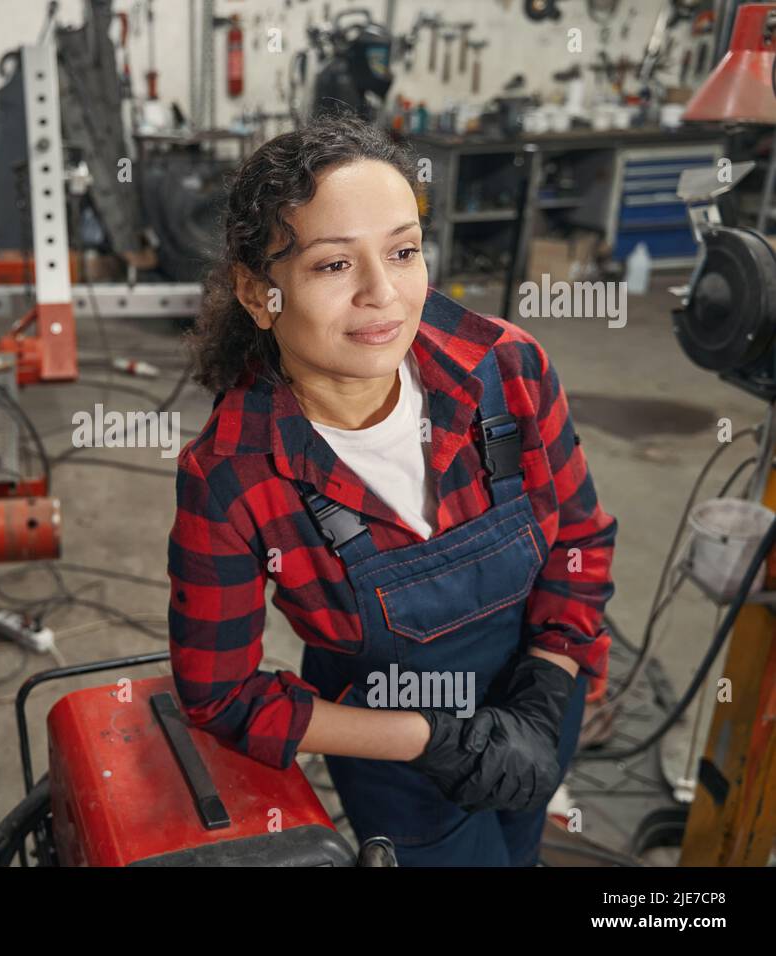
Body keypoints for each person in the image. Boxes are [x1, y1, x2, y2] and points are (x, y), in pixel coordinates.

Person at [166, 113, 617, 866]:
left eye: (403, 251)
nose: (384, 294)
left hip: (537, 702)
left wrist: (549, 681)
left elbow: (578, 537)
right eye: (334, 266)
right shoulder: (233, 476)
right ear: (258, 293)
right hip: (394, 751)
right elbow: (223, 694)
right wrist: (429, 737)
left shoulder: (508, 369)